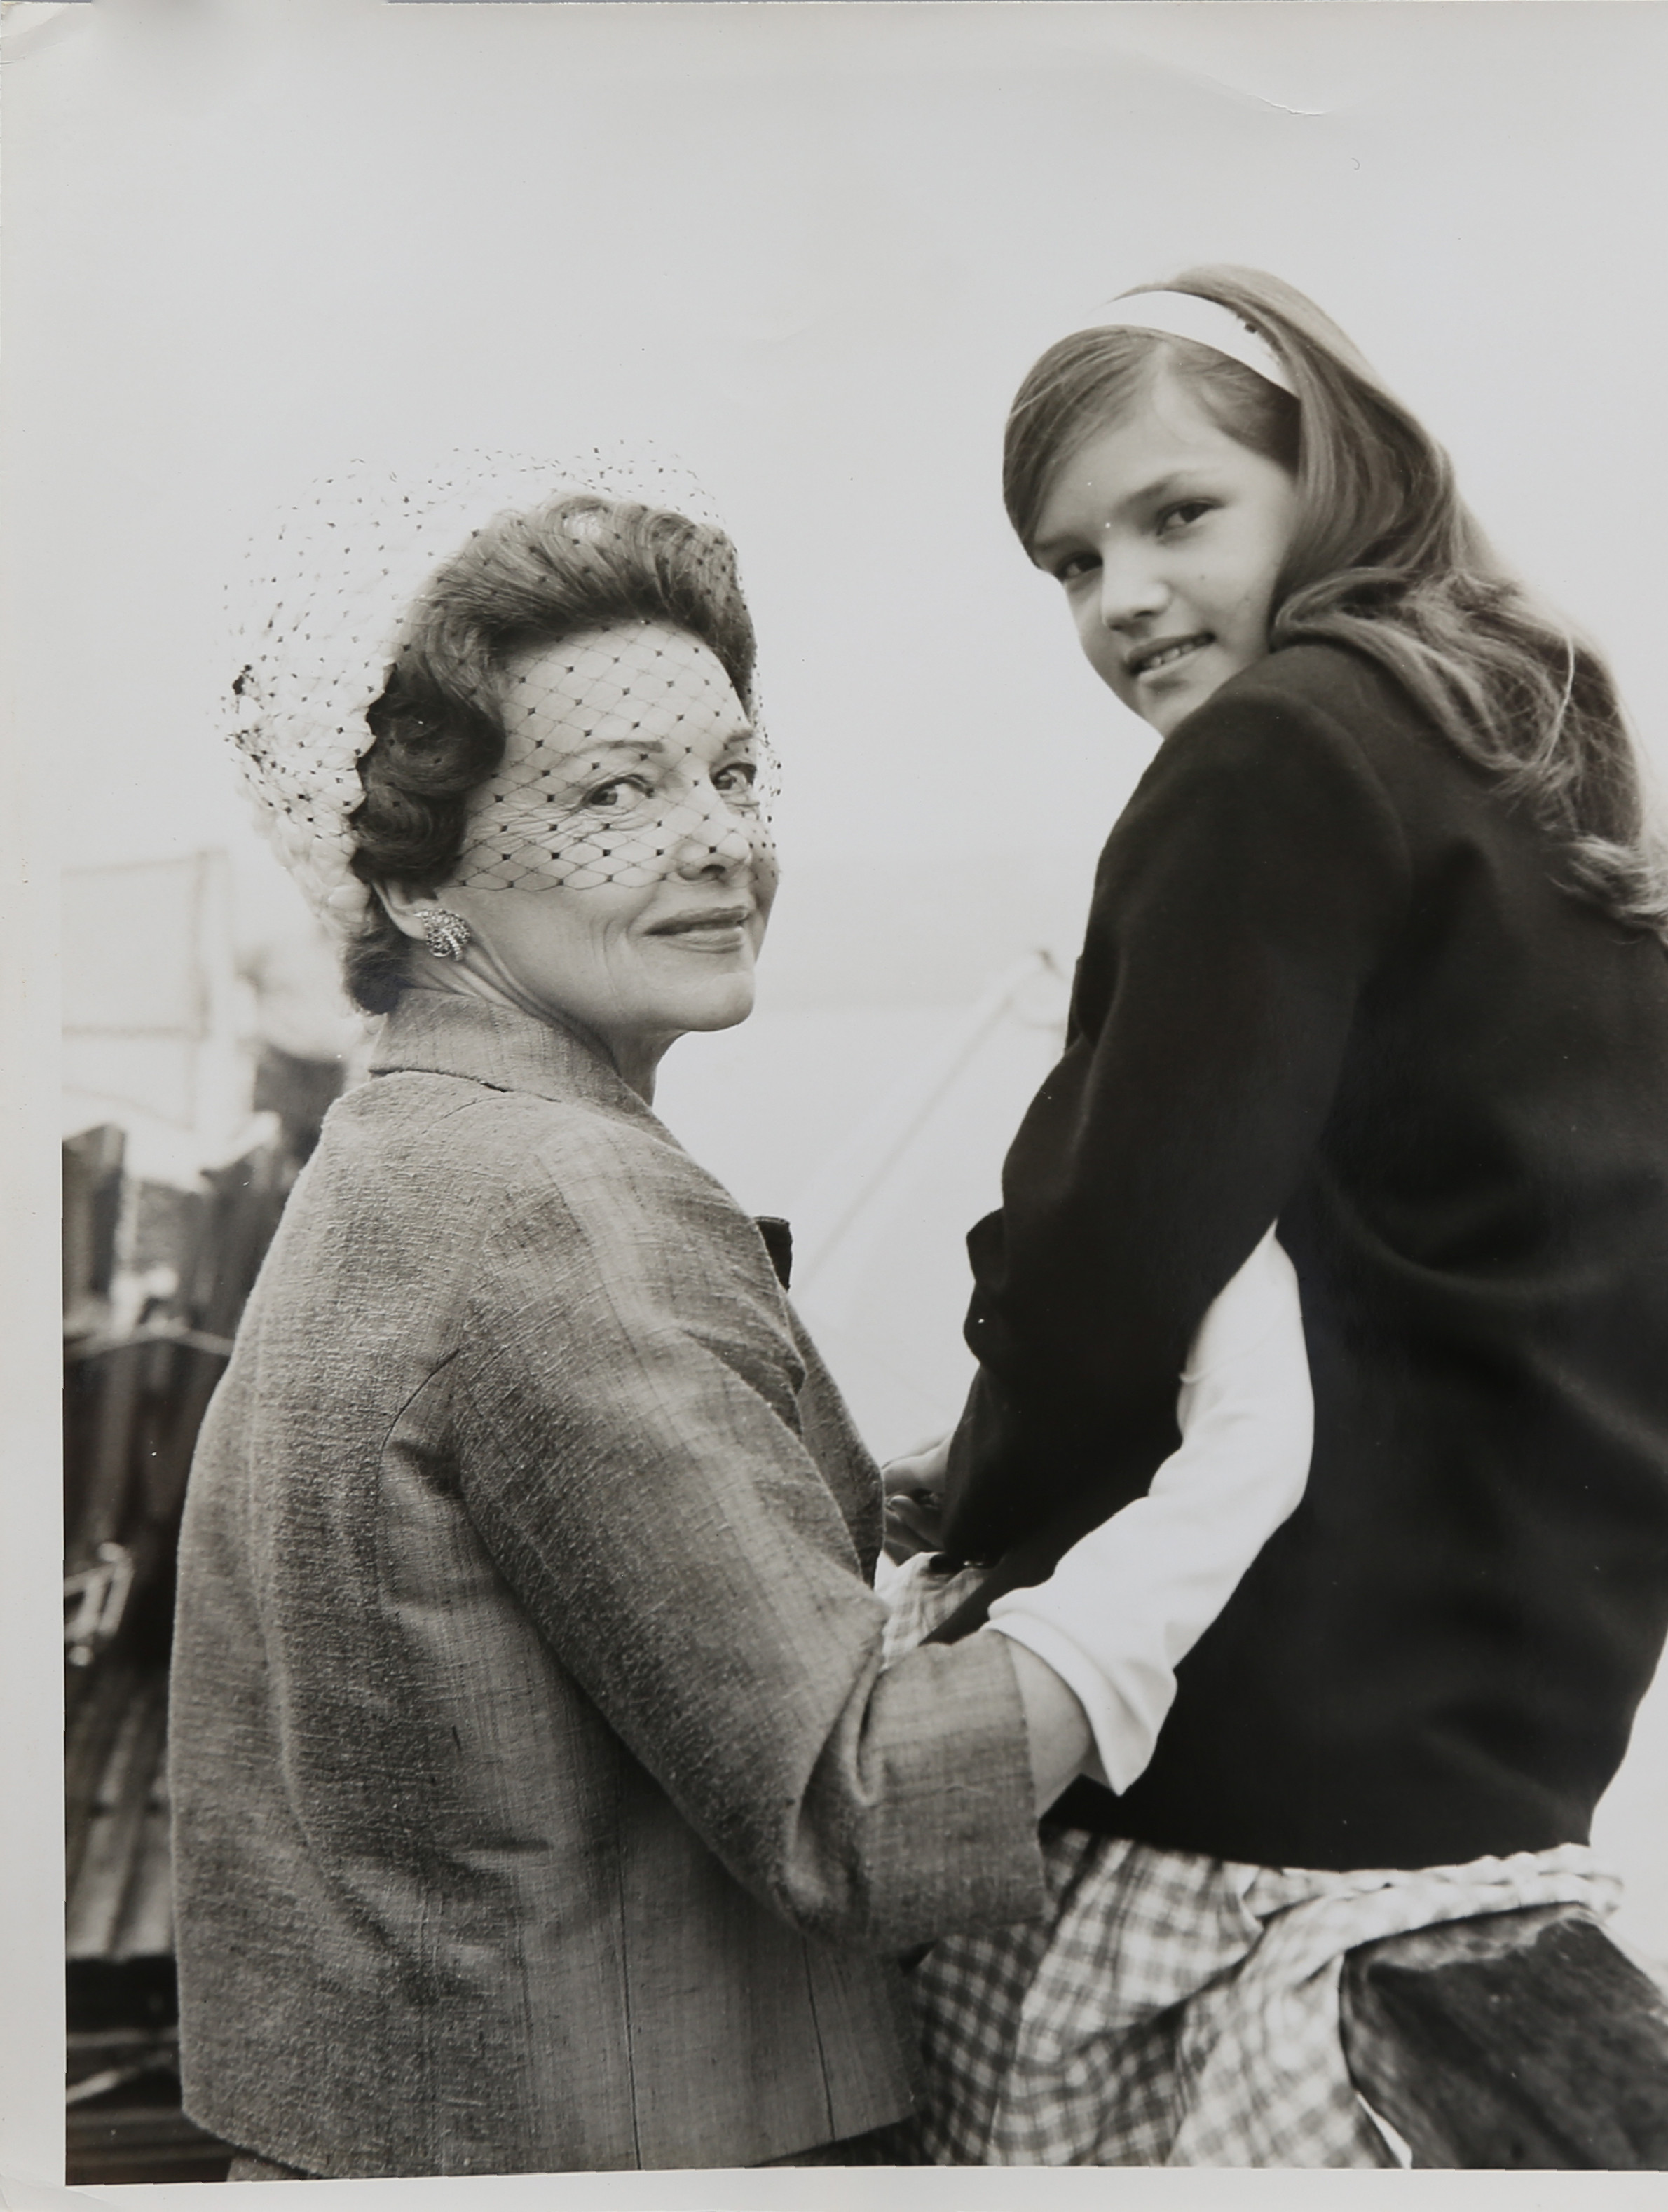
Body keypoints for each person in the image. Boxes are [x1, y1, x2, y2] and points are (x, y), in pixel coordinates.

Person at [166, 449, 1313, 2178]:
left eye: (732, 771)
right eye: (616, 794)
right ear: (414, 879)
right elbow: (860, 1811)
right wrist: (1231, 1484)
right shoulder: (556, 1198)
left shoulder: (401, 1151)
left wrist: (905, 1497)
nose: (718, 840)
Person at [887, 271, 1668, 2166]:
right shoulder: (1536, 750)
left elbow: (1110, 1259)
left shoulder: (1275, 750)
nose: (1119, 595)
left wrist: (965, 1517)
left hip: (1273, 1755)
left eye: (1177, 512)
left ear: (1332, 475)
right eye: (1066, 560)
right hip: (1524, 1711)